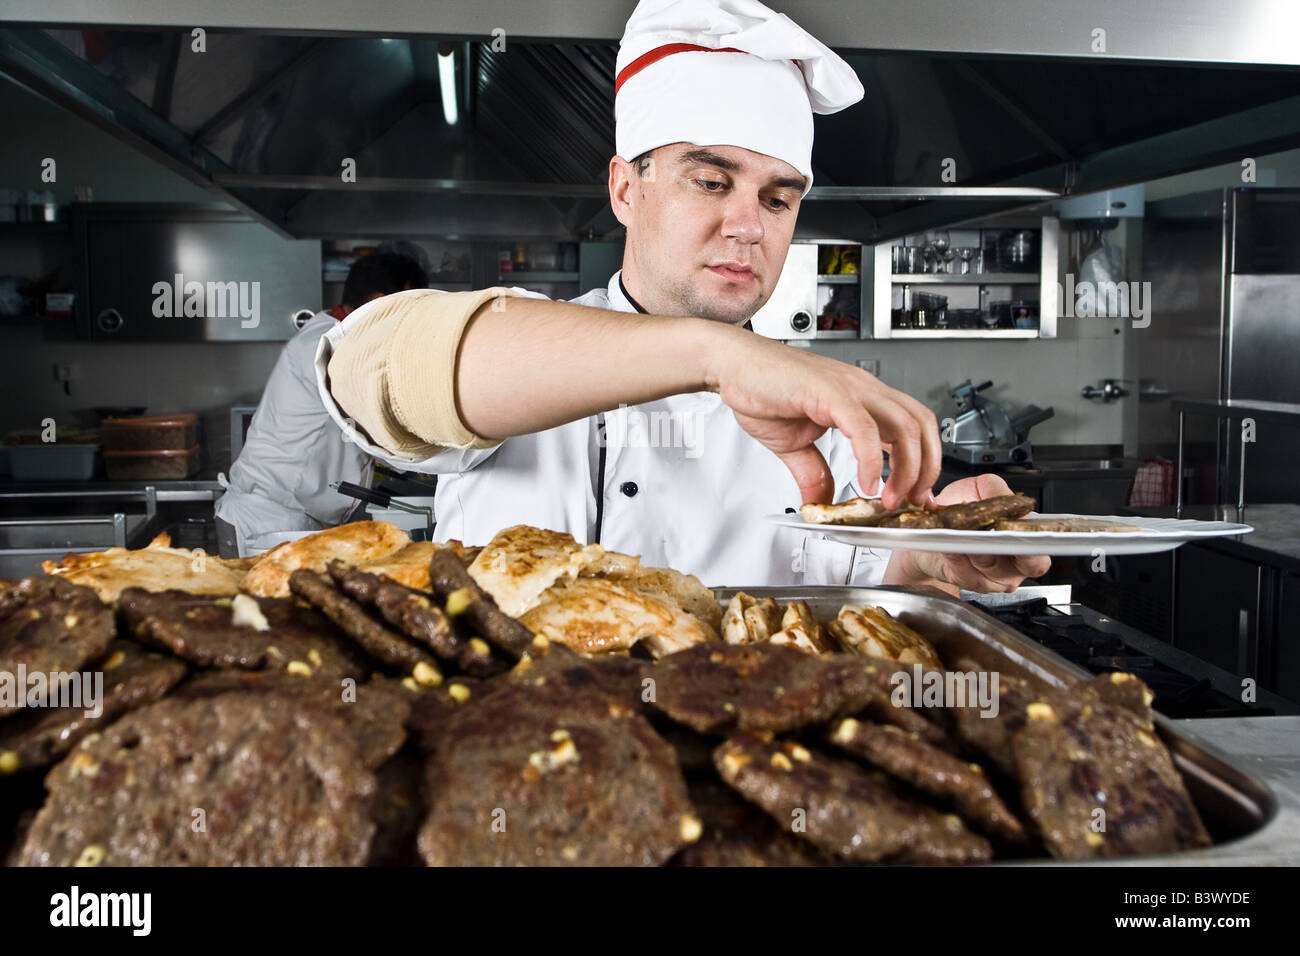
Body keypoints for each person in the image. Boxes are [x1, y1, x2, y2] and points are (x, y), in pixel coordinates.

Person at [314, 0, 1049, 595]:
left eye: (778, 197)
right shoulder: (530, 351)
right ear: (625, 189)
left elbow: (844, 580)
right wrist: (718, 356)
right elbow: (367, 363)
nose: (747, 226)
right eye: (712, 181)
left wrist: (928, 560)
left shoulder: (817, 407)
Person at [215, 251, 427, 556]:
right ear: (378, 302)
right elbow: (385, 415)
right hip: (268, 522)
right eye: (407, 309)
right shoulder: (325, 345)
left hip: (293, 519)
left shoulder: (340, 338)